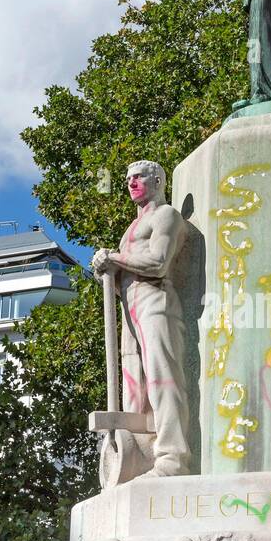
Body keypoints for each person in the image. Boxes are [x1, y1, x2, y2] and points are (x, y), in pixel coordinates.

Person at [92, 160, 191, 477]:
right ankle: (144, 456)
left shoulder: (166, 215)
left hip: (155, 298)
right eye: (127, 178)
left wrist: (114, 258)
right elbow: (124, 271)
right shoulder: (129, 230)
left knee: (163, 378)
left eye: (139, 177)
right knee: (136, 387)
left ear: (158, 180)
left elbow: (158, 262)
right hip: (130, 305)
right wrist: (104, 270)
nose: (131, 183)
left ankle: (173, 457)